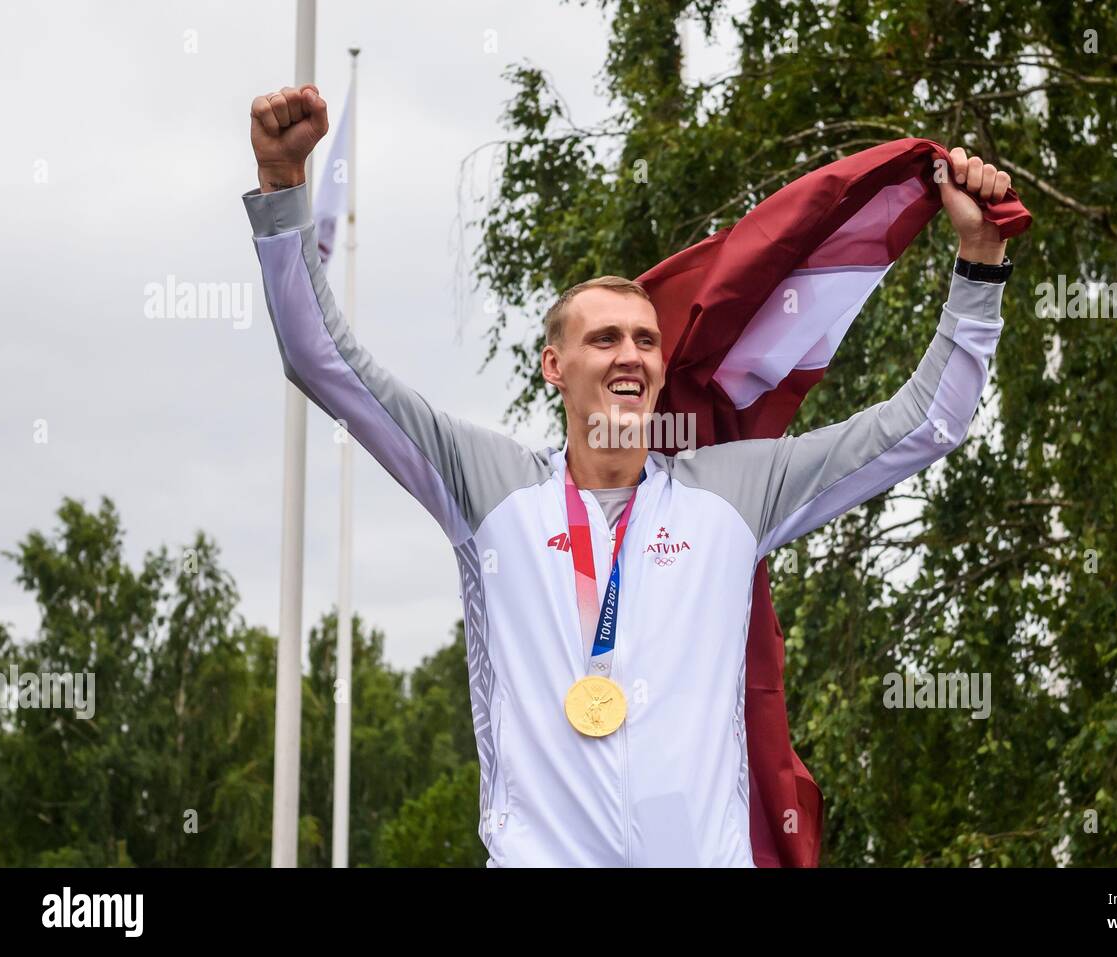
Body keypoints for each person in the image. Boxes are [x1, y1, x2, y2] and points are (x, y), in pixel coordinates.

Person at [244, 84, 1015, 867]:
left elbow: (925, 424)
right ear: (555, 365)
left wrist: (979, 267)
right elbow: (322, 360)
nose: (630, 355)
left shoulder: (735, 492)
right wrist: (282, 187)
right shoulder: (484, 483)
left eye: (646, 340)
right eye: (604, 337)